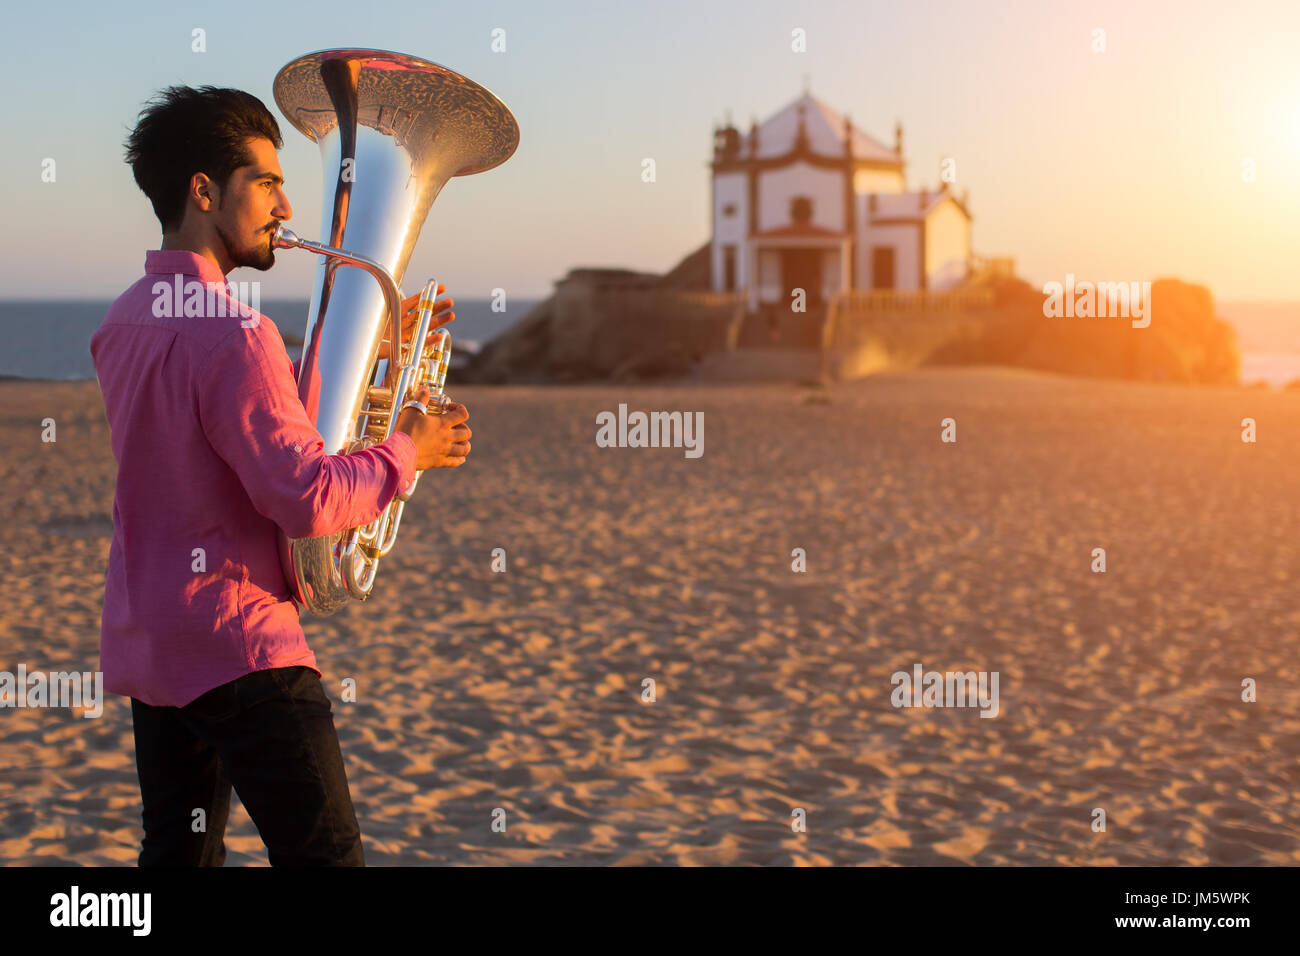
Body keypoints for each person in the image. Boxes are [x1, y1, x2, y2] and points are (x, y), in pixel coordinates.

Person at [90, 85, 470, 866]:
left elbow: (220, 431)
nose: (286, 206)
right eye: (265, 183)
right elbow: (306, 498)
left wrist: (381, 351)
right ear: (204, 191)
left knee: (178, 856)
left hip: (154, 641)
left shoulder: (123, 320)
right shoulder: (237, 333)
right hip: (241, 647)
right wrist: (408, 449)